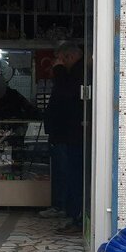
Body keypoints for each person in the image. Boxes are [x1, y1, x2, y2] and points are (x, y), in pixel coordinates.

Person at [41, 43, 84, 233]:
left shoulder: (76, 74)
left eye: (60, 59)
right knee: (68, 173)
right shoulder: (74, 73)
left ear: (69, 57)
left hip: (71, 136)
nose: (58, 63)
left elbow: (66, 94)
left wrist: (58, 70)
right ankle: (72, 213)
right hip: (68, 135)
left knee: (70, 174)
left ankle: (74, 215)